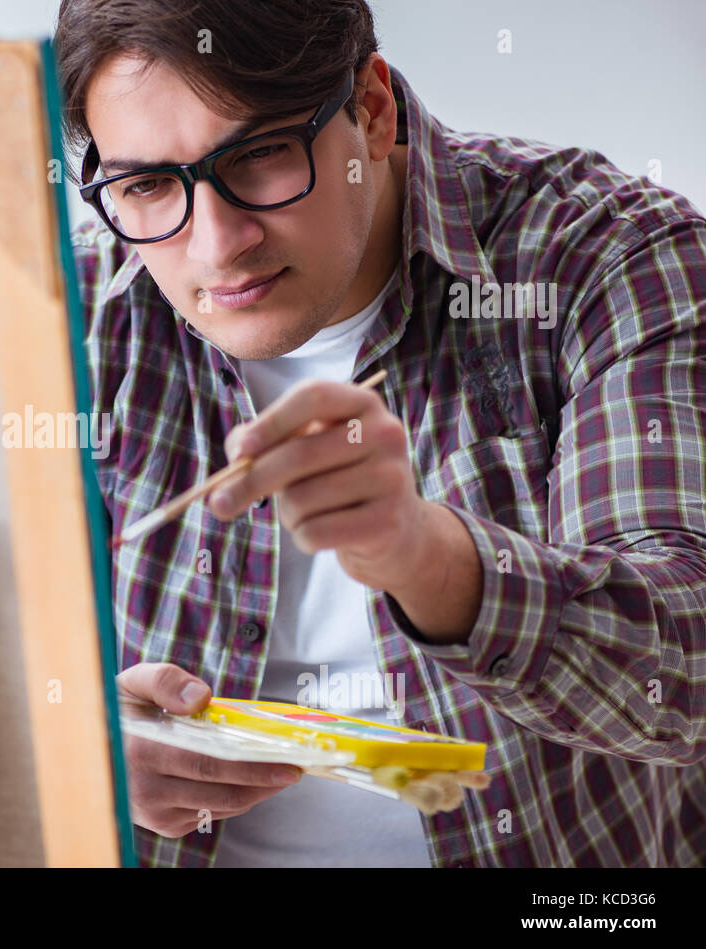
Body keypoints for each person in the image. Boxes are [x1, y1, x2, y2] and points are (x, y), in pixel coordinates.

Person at [55, 0, 706, 867]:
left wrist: (427, 559)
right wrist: (80, 748)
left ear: (371, 108)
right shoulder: (67, 308)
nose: (217, 246)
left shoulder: (608, 257)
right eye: (147, 185)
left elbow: (687, 671)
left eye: (257, 156)